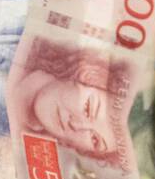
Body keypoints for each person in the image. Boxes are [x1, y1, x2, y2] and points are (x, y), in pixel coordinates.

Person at [8, 37, 133, 165]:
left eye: (94, 139)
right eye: (88, 108)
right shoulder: (20, 47)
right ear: (86, 75)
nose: (76, 125)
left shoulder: (16, 151)